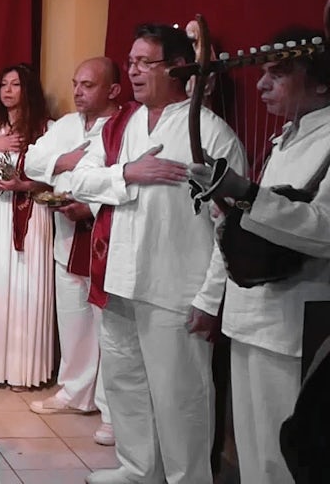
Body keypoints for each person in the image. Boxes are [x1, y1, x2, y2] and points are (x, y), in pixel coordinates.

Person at [68, 24, 246, 484]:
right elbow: (80, 180)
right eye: (130, 62)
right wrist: (128, 173)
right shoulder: (120, 124)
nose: (133, 71)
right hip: (121, 277)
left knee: (180, 397)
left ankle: (188, 479)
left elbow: (230, 224)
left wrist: (210, 298)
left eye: (144, 62)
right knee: (125, 386)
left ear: (178, 67)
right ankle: (138, 469)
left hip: (176, 286)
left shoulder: (209, 132)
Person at [186, 26, 330, 484]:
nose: (262, 85)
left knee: (281, 455)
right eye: (262, 73)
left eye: (277, 75)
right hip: (252, 317)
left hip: (294, 325)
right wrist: (227, 207)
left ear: (321, 81)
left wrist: (247, 193)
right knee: (251, 452)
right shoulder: (285, 139)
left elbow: (324, 230)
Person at [23, 57, 121, 445]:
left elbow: (119, 176)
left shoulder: (123, 126)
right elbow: (33, 160)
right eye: (75, 83)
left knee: (109, 330)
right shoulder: (66, 126)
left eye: (88, 85)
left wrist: (90, 204)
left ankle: (112, 412)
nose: (78, 92)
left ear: (112, 90)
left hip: (104, 236)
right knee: (74, 318)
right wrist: (66, 160)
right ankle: (75, 392)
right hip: (66, 233)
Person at [0, 64, 54, 389]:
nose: (8, 90)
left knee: (25, 285)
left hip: (30, 212)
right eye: (4, 84)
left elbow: (57, 178)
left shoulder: (46, 129)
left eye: (15, 85)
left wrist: (24, 185)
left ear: (27, 90)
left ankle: (22, 370)